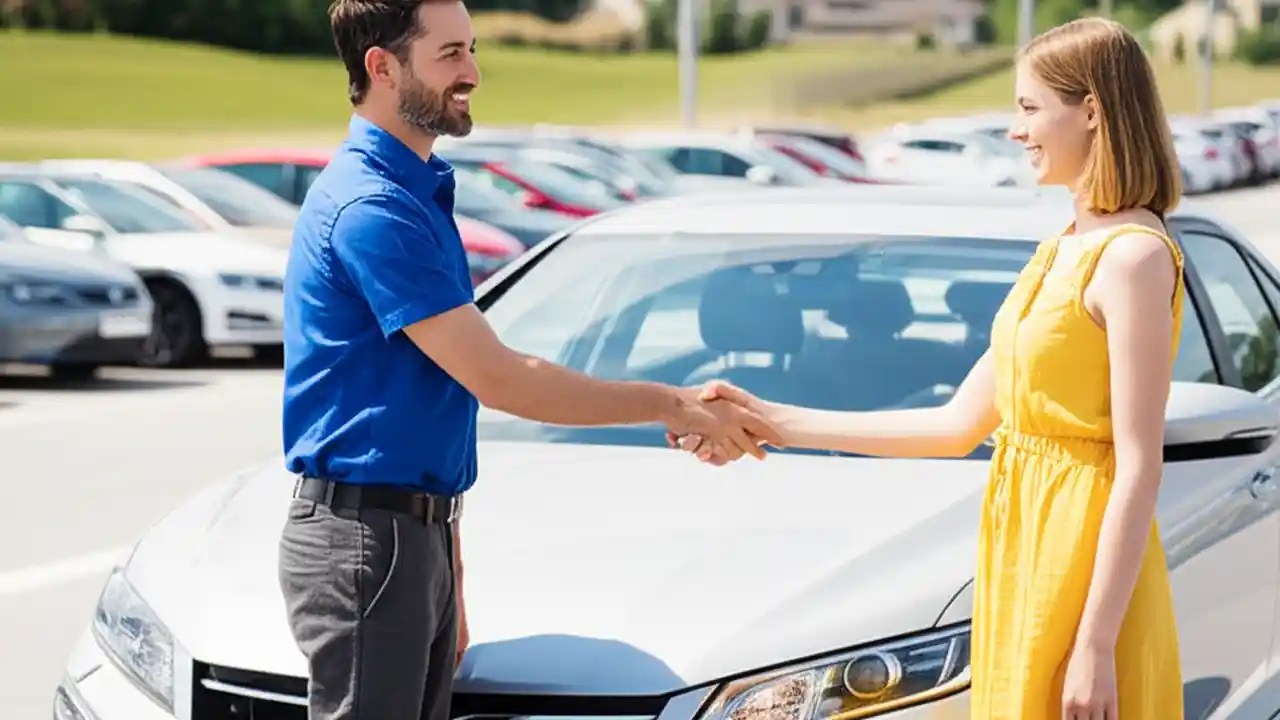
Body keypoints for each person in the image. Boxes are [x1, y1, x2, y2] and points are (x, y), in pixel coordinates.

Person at [276, 1, 781, 719]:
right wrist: (672, 405)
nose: (474, 73)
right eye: (450, 54)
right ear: (381, 67)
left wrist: (442, 556)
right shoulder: (372, 208)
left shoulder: (414, 193)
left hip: (404, 538)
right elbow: (500, 378)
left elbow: (428, 408)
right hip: (370, 545)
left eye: (472, 50)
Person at [678, 17, 1186, 720]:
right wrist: (770, 420)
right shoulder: (1063, 247)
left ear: (1092, 110)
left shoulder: (1133, 256)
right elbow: (956, 424)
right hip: (1025, 556)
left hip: (1083, 567)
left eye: (1029, 107)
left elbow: (1139, 465)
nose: (1015, 130)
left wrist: (1096, 643)